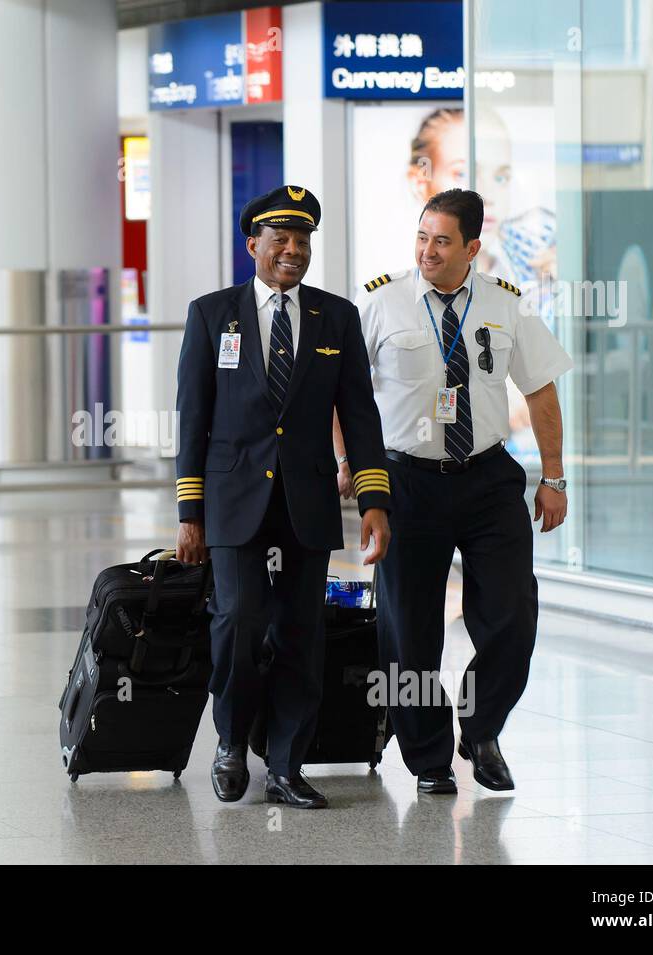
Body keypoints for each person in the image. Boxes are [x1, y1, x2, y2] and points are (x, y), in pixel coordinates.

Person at [342, 187, 572, 794]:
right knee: (408, 629)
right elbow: (342, 391)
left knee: (511, 618)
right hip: (407, 481)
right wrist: (349, 464)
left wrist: (553, 477)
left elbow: (541, 390)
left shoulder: (506, 304)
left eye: (442, 241)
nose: (428, 251)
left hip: (489, 477)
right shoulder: (381, 302)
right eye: (422, 237)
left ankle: (481, 725)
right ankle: (429, 760)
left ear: (473, 247)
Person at [174, 185, 391, 809]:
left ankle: (288, 766)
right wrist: (191, 513)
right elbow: (193, 418)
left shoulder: (335, 317)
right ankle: (231, 743)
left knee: (302, 632)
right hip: (233, 498)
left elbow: (359, 412)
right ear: (253, 246)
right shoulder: (213, 314)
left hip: (309, 500)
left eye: (303, 241)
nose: (293, 251)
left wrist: (374, 498)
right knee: (237, 622)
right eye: (281, 241)